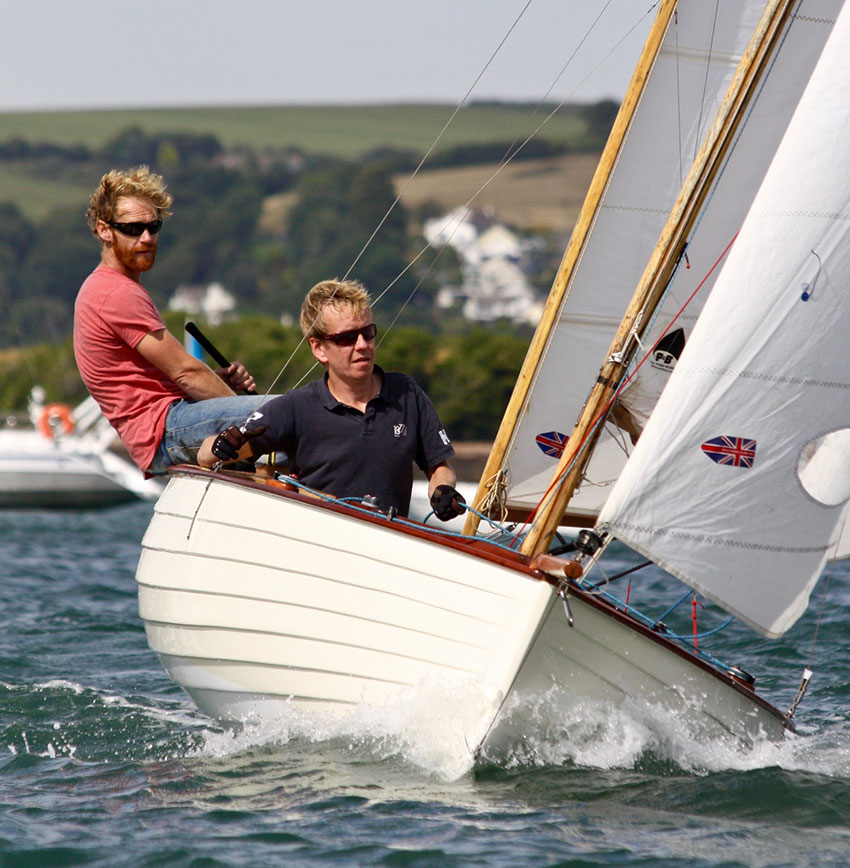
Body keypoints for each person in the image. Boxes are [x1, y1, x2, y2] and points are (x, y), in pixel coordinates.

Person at [198, 279, 466, 521]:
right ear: (318, 348)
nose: (363, 345)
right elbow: (206, 455)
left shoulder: (407, 393)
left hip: (388, 545)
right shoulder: (296, 407)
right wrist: (224, 444)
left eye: (368, 333)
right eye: (347, 338)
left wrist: (443, 491)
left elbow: (439, 468)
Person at [73, 166, 267, 476]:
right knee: (291, 414)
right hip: (166, 429)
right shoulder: (115, 292)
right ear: (104, 230)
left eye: (153, 227)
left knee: (291, 416)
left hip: (166, 426)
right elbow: (187, 373)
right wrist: (244, 414)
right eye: (133, 229)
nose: (147, 238)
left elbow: (161, 381)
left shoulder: (106, 288)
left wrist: (219, 385)